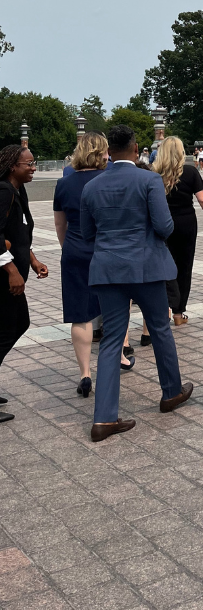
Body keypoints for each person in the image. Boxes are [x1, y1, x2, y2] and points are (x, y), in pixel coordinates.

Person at [80, 126, 193, 442]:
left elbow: (87, 234)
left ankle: (103, 418)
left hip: (108, 270)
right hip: (146, 267)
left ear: (108, 151)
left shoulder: (92, 186)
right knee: (159, 329)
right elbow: (165, 226)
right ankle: (170, 392)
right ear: (136, 148)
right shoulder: (149, 180)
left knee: (112, 339)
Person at [54, 133, 129, 399]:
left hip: (75, 250)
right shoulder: (111, 178)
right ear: (103, 152)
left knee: (80, 314)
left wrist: (68, 249)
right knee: (115, 308)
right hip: (109, 250)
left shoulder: (64, 183)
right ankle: (118, 356)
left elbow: (60, 224)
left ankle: (85, 374)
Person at [0, 145, 49, 424]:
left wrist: (32, 260)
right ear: (12, 166)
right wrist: (11, 270)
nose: (33, 168)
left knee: (16, 324)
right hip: (3, 278)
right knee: (11, 328)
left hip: (13, 273)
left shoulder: (18, 191)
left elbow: (18, 234)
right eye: (28, 164)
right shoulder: (4, 191)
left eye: (34, 163)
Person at [154, 136, 203, 327]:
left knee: (163, 266)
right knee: (184, 266)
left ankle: (163, 308)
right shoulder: (190, 171)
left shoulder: (154, 173)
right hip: (185, 222)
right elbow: (202, 198)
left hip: (161, 222)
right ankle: (178, 313)